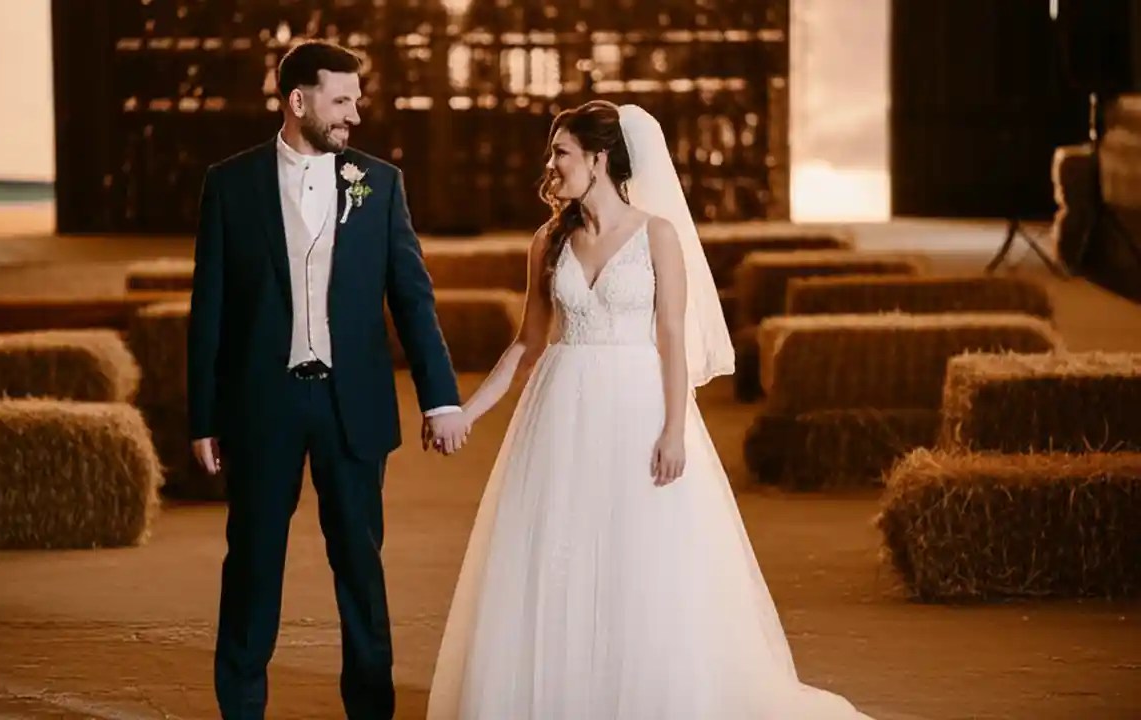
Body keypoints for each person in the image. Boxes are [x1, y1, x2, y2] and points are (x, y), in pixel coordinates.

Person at [425, 100, 876, 719]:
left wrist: (673, 429)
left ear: (598, 158)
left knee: (642, 557)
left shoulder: (657, 235)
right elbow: (527, 344)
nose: (551, 164)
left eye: (561, 152)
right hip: (561, 412)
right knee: (558, 553)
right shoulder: (548, 241)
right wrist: (467, 412)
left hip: (636, 407)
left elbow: (670, 335)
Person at [185, 40, 471, 720]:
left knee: (361, 570)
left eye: (355, 100)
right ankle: (242, 709)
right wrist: (203, 415)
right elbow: (210, 309)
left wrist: (440, 396)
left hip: (353, 406)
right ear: (297, 101)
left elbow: (412, 298)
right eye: (342, 101)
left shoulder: (380, 184)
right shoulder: (230, 184)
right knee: (252, 564)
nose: (355, 116)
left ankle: (371, 710)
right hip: (264, 406)